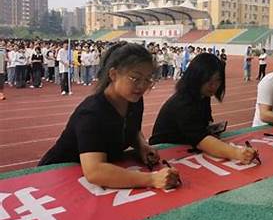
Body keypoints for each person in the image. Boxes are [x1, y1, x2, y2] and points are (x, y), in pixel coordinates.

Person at [39, 42, 179, 189]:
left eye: (147, 79)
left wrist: (142, 146)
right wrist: (152, 179)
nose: (142, 86)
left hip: (85, 180)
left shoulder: (134, 100)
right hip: (54, 177)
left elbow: (132, 129)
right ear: (113, 74)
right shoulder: (92, 112)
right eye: (135, 78)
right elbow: (95, 171)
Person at [150, 53, 257, 164]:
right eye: (208, 81)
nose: (214, 86)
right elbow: (201, 140)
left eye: (218, 80)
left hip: (184, 147)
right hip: (163, 152)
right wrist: (237, 153)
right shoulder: (183, 103)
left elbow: (202, 129)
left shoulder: (203, 95)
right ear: (195, 78)